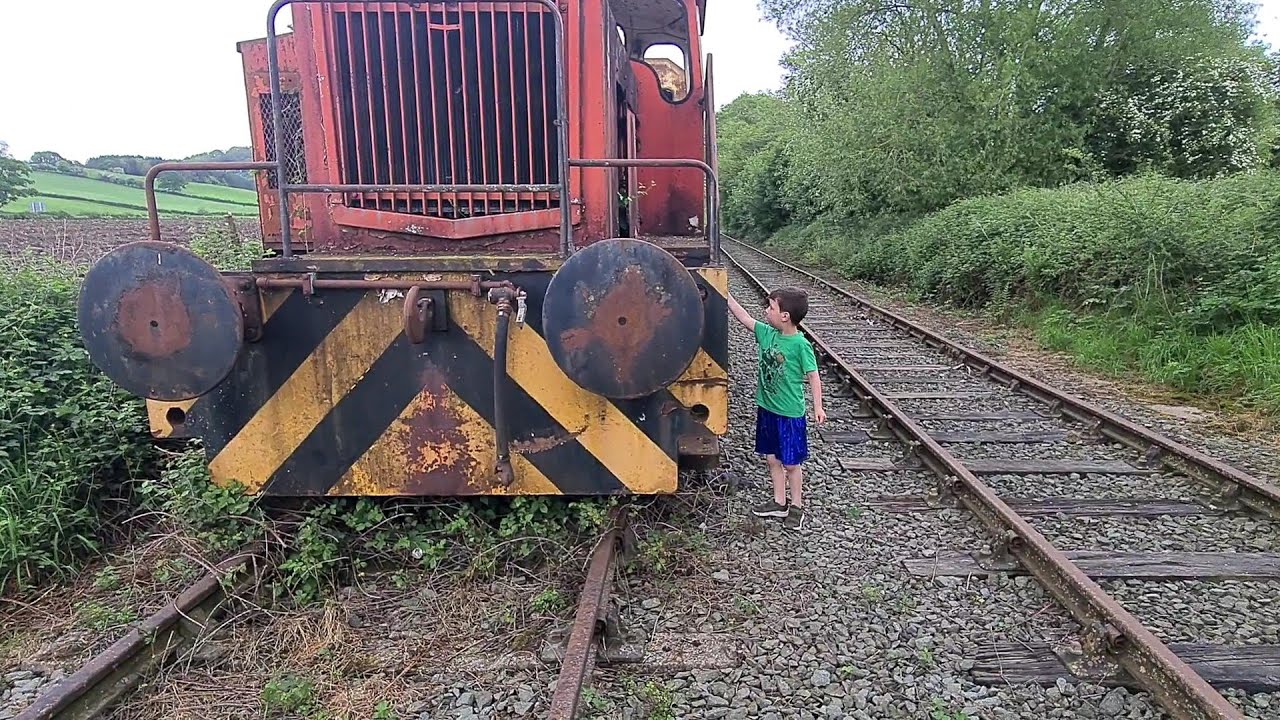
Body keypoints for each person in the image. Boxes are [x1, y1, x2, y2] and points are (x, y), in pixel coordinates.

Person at [727, 287, 826, 530]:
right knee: (772, 459)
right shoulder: (767, 333)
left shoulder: (800, 345)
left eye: (771, 307)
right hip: (767, 408)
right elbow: (744, 318)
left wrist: (818, 407)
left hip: (789, 414)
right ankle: (779, 501)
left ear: (785, 316)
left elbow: (813, 376)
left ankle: (797, 506)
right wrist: (726, 295)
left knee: (791, 463)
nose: (766, 311)